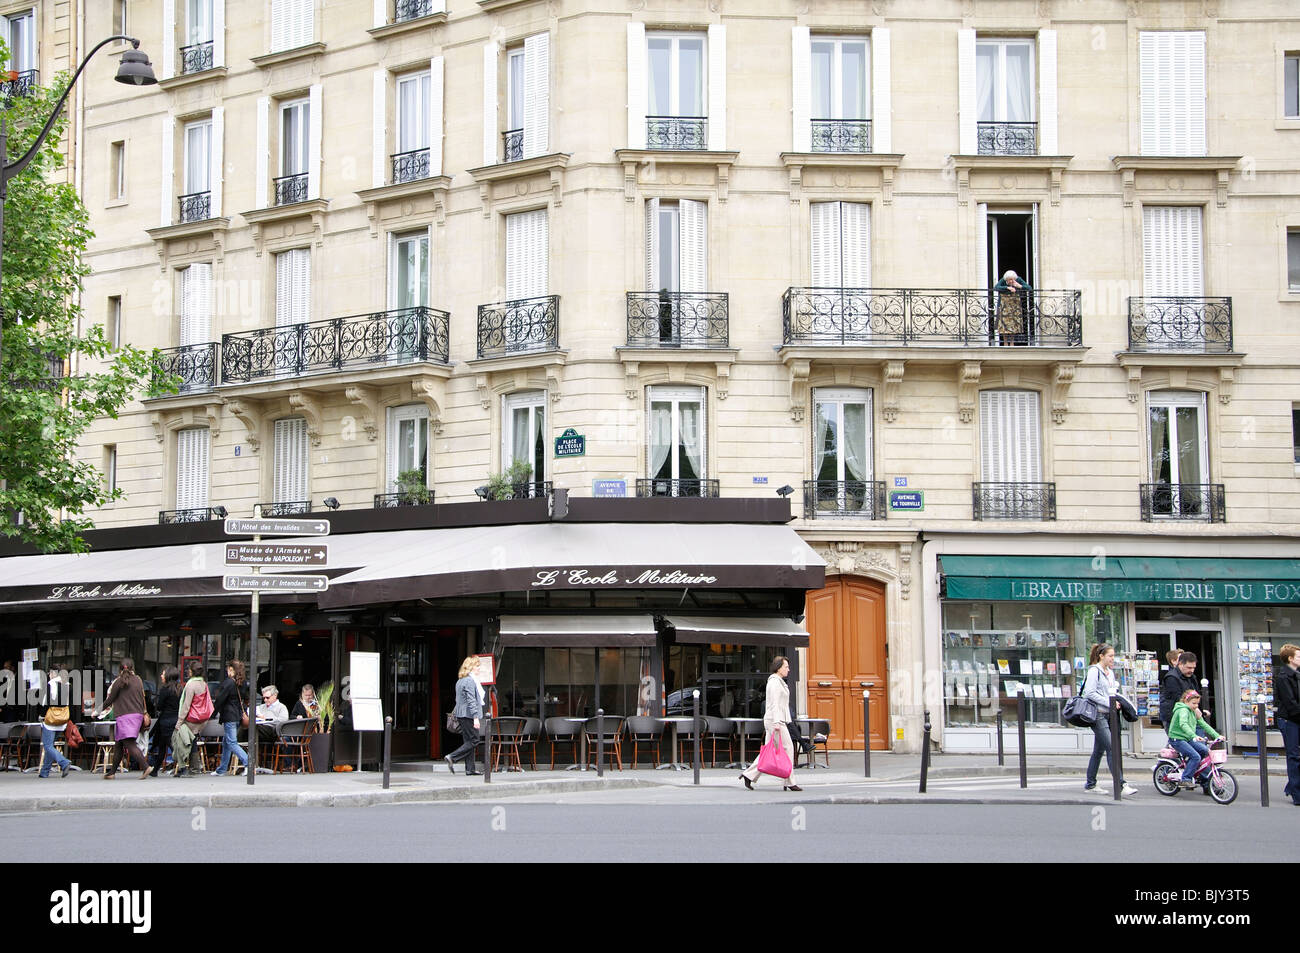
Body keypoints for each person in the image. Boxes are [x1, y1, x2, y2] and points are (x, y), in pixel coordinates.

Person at [739, 656, 802, 792]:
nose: (788, 670)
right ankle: (790, 782)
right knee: (788, 748)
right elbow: (773, 704)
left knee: (769, 751)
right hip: (775, 721)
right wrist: (777, 722)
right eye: (786, 667)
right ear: (779, 667)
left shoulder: (778, 681)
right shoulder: (774, 682)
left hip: (776, 720)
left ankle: (748, 775)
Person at [1082, 643, 1137, 797]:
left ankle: (1091, 783)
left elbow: (1111, 692)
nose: (1113, 659)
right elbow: (1089, 693)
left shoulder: (1109, 673)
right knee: (1112, 748)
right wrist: (1109, 702)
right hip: (1098, 715)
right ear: (1101, 656)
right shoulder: (1095, 671)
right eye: (1110, 656)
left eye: (1114, 656)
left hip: (1109, 715)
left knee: (1099, 750)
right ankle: (1121, 784)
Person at [97, 658, 150, 780]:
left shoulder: (118, 682)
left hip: (124, 717)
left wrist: (97, 710)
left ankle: (146, 766)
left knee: (129, 743)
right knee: (119, 745)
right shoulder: (138, 680)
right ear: (132, 668)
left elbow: (110, 700)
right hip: (137, 716)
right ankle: (112, 772)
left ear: (120, 669)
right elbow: (142, 698)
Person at [1167, 688, 1219, 790]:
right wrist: (1193, 736)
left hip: (1187, 738)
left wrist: (1217, 735)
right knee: (1195, 757)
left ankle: (1193, 769)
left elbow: (1203, 724)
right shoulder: (1183, 710)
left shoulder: (1192, 710)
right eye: (1193, 703)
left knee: (1204, 750)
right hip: (1177, 739)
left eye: (1197, 704)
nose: (1196, 706)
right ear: (1186, 701)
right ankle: (1185, 779)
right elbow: (1183, 724)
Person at [443, 656, 483, 776]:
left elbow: (458, 700)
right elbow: (471, 700)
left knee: (468, 741)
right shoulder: (470, 681)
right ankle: (452, 757)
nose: (479, 668)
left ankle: (470, 769)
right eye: (477, 666)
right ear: (471, 667)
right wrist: (476, 717)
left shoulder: (460, 680)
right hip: (469, 715)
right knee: (475, 740)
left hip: (461, 714)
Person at [171, 662, 210, 778]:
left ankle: (183, 768)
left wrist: (179, 721)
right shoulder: (203, 684)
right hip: (200, 718)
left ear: (192, 671)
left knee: (181, 741)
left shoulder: (190, 685)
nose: (187, 671)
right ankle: (194, 767)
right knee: (192, 742)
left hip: (190, 719)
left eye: (189, 670)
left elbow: (186, 705)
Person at [213, 660, 249, 777]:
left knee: (232, 742)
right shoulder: (242, 683)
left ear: (232, 670)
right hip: (238, 715)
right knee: (226, 743)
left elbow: (220, 700)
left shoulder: (228, 683)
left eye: (228, 669)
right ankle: (222, 769)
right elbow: (246, 698)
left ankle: (248, 762)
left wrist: (212, 714)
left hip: (229, 715)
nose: (227, 671)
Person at [1274, 643, 1300, 807]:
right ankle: (1297, 794)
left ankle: (1292, 786)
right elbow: (1290, 703)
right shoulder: (1284, 676)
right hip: (1290, 720)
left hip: (1296, 719)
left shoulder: (1297, 674)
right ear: (1290, 658)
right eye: (1298, 656)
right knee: (1294, 756)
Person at [147, 666, 181, 778]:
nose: (161, 676)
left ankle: (182, 766)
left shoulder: (165, 690)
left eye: (163, 674)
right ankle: (155, 770)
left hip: (165, 721)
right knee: (163, 745)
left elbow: (160, 707)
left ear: (168, 676)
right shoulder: (179, 689)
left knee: (169, 745)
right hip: (175, 720)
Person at [38, 668, 72, 779]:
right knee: (50, 746)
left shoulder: (51, 684)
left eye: (50, 673)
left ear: (54, 674)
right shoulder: (67, 685)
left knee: (47, 745)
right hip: (62, 720)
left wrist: (42, 716)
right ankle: (44, 772)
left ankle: (64, 762)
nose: (48, 675)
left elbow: (46, 701)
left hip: (51, 718)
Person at [1159, 651, 1201, 729]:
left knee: (1197, 739)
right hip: (1175, 718)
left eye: (1193, 668)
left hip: (1190, 715)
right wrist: (1195, 709)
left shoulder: (1191, 677)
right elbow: (1178, 698)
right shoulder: (1171, 677)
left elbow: (1196, 695)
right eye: (1189, 667)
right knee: (1180, 740)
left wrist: (1200, 709)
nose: (1192, 670)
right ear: (1180, 664)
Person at [993, 270, 1032, 345]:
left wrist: (1019, 286)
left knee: (1013, 323)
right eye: (1010, 279)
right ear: (1006, 279)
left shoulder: (1018, 280)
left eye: (1013, 279)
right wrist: (1007, 288)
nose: (1012, 281)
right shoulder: (1003, 280)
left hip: (1015, 305)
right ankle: (1005, 342)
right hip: (1003, 305)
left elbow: (1029, 288)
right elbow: (996, 287)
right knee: (1003, 323)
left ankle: (1012, 342)